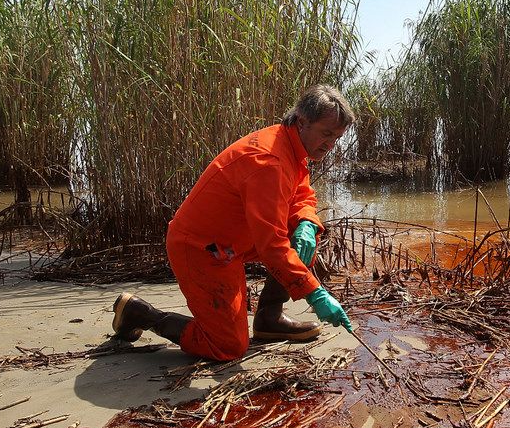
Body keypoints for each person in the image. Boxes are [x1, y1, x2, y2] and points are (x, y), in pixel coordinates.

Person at [109, 84, 353, 361]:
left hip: (233, 241)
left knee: (302, 234)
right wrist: (314, 293)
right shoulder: (270, 161)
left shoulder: (292, 147)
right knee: (227, 347)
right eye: (327, 134)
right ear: (302, 121)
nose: (330, 145)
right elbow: (272, 246)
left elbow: (301, 193)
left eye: (337, 138)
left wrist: (307, 223)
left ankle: (269, 320)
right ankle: (141, 314)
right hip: (202, 248)